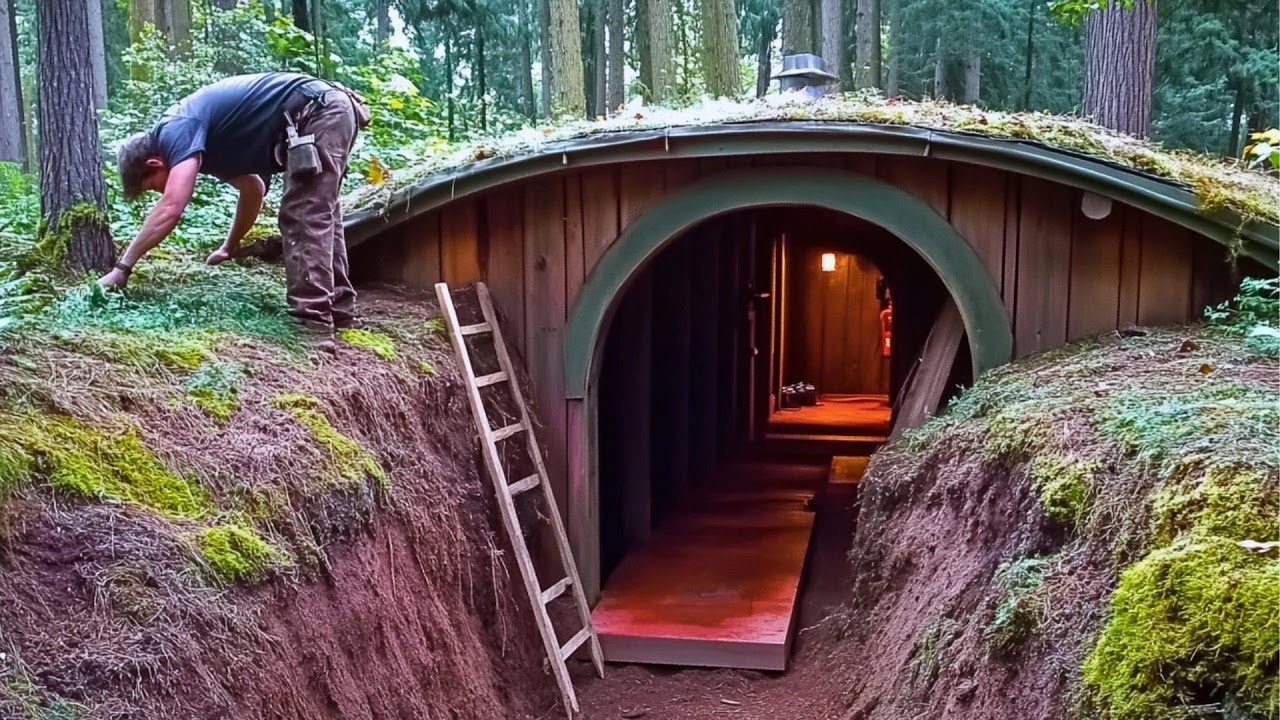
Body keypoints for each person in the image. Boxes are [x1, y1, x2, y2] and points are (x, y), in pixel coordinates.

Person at [101, 72, 368, 351]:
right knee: (321, 213)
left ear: (155, 163)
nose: (159, 193)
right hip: (326, 112)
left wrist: (123, 268)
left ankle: (310, 324)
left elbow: (172, 206)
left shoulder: (176, 129)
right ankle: (338, 311)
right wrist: (229, 247)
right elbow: (252, 189)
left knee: (305, 214)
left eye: (152, 187)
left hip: (318, 112)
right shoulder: (202, 144)